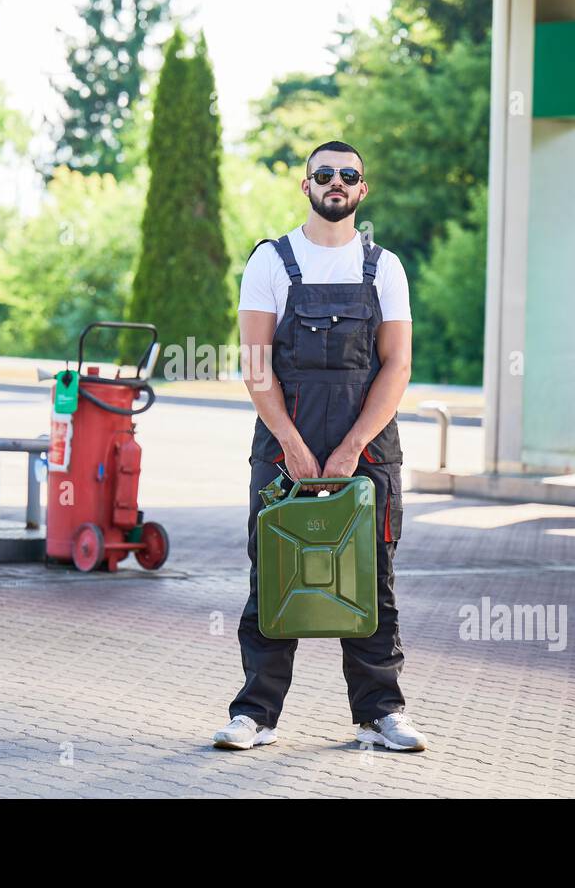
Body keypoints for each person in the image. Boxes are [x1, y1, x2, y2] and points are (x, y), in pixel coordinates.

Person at [213, 141, 427, 753]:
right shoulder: (271, 262)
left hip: (370, 448)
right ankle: (254, 715)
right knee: (275, 574)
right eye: (325, 173)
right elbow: (257, 366)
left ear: (363, 189)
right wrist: (290, 442)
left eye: (349, 175)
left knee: (371, 577)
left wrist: (354, 444)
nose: (337, 182)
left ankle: (381, 714)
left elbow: (398, 365)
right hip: (287, 445)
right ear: (305, 185)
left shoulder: (384, 267)